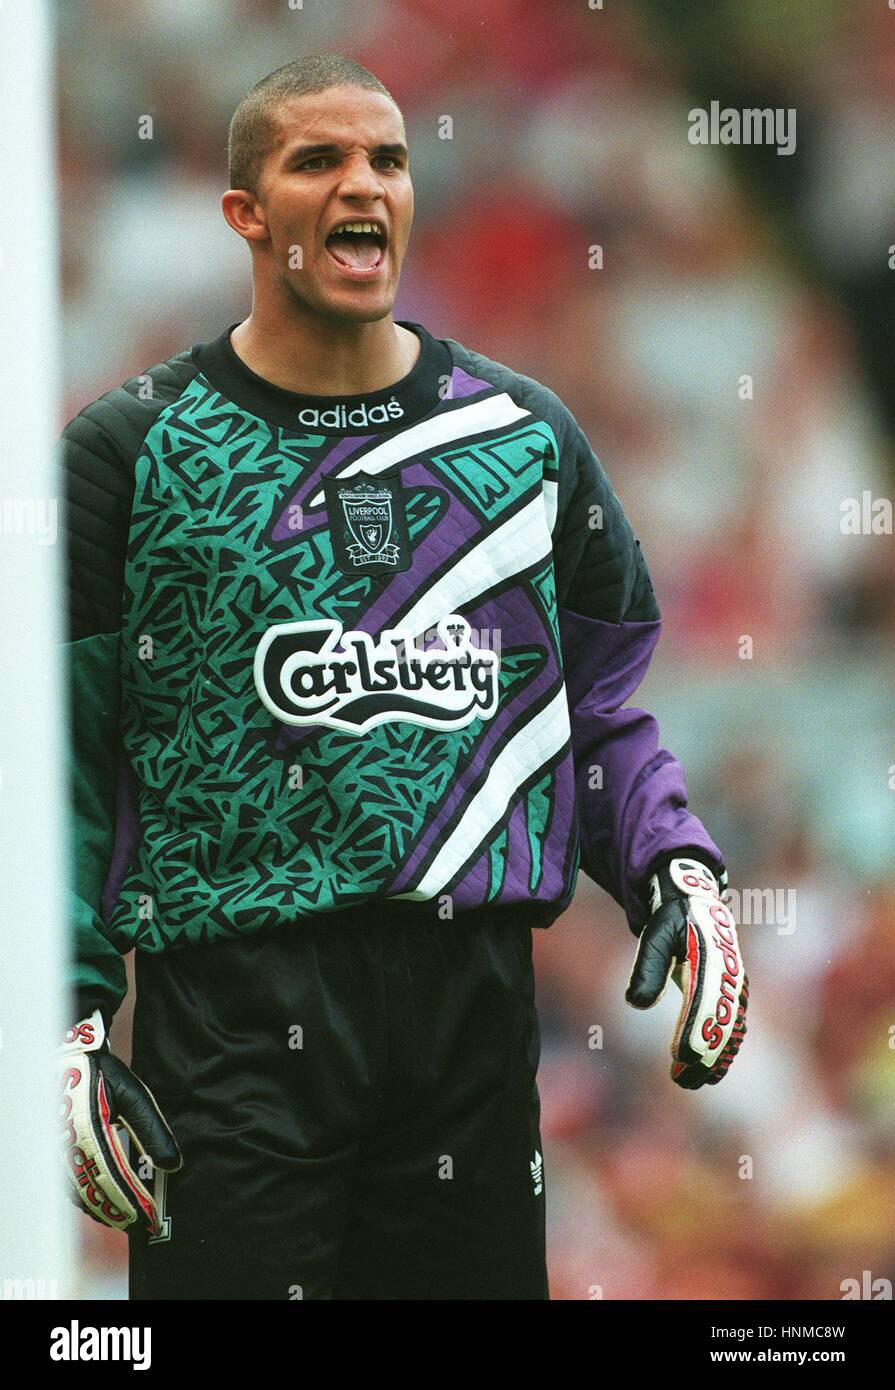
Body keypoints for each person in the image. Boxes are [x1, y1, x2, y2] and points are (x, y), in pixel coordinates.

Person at [58, 54, 748, 1301]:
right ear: (245, 213)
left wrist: (675, 866)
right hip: (232, 1027)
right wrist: (69, 1014)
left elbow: (596, 712)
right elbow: (60, 758)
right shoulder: (130, 452)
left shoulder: (525, 438)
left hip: (468, 1020)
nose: (361, 184)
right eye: (317, 160)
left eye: (386, 159)